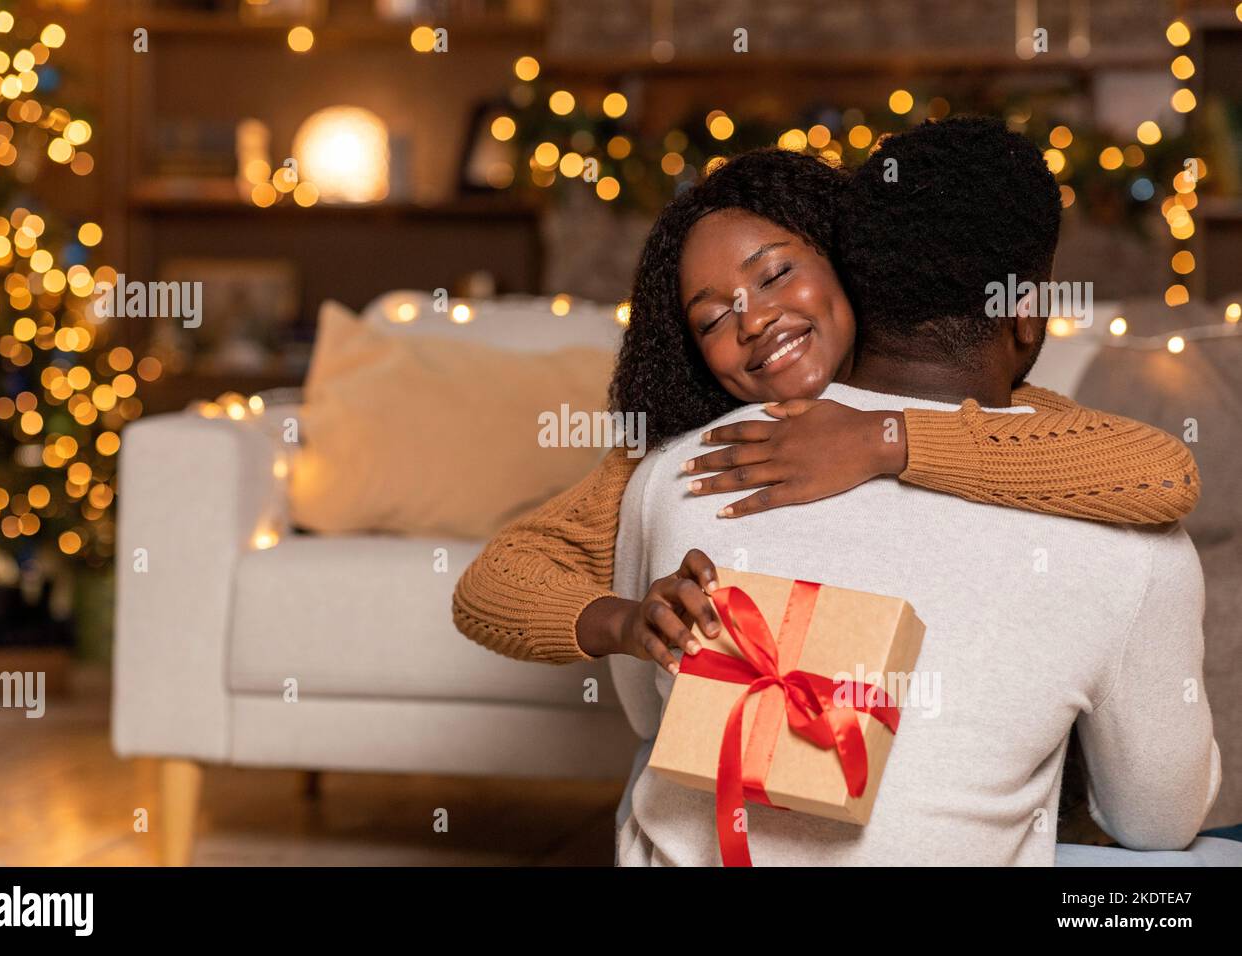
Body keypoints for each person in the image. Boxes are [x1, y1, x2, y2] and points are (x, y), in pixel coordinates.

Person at [611, 117, 1220, 865]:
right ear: (1026, 315)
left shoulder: (679, 472)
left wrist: (890, 440)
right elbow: (1157, 821)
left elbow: (646, 710)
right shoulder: (1131, 542)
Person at [453, 145, 1198, 674]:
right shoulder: (692, 455)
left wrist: (882, 441)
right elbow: (492, 582)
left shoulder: (965, 395)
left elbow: (1162, 476)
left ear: (843, 262)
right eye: (713, 319)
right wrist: (624, 621)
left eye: (776, 273)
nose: (753, 321)